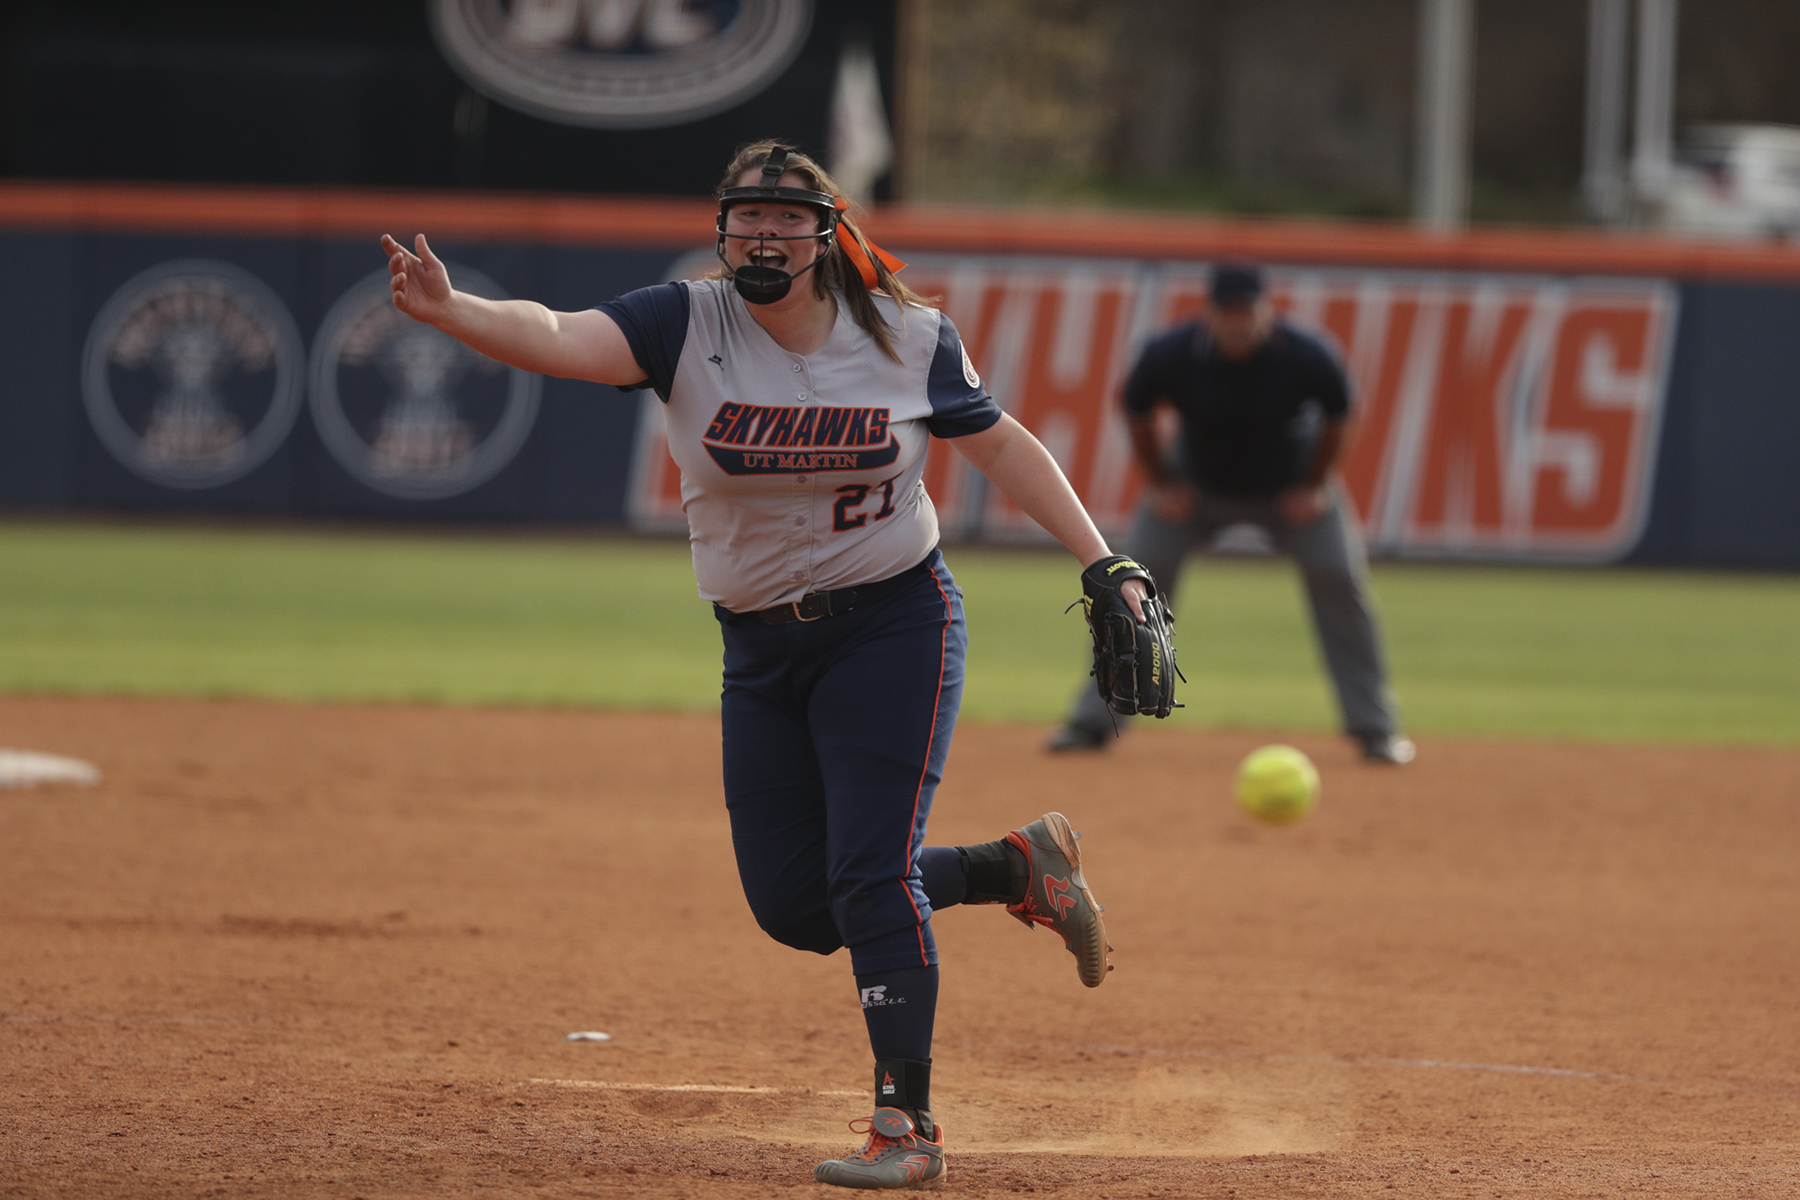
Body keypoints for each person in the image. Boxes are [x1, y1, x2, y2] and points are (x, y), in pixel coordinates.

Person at [380, 140, 1150, 1191]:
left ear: (829, 234)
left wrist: (1102, 560)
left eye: (786, 219)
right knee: (797, 905)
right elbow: (560, 335)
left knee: (870, 877)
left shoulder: (907, 338)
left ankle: (906, 1127)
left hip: (893, 625)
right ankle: (1016, 869)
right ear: (722, 230)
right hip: (759, 644)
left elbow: (1003, 444)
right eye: (746, 217)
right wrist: (455, 309)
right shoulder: (682, 322)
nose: (763, 235)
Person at [1048, 262, 1415, 765]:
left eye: (1248, 311)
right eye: (1229, 312)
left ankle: (1376, 729)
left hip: (1290, 485)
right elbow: (1135, 408)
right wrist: (1160, 483)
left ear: (1267, 312)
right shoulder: (1172, 353)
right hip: (1196, 484)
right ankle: (1093, 721)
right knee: (1130, 584)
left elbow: (1342, 412)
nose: (1239, 322)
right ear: (1211, 315)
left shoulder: (1304, 355)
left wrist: (1314, 484)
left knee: (1338, 575)